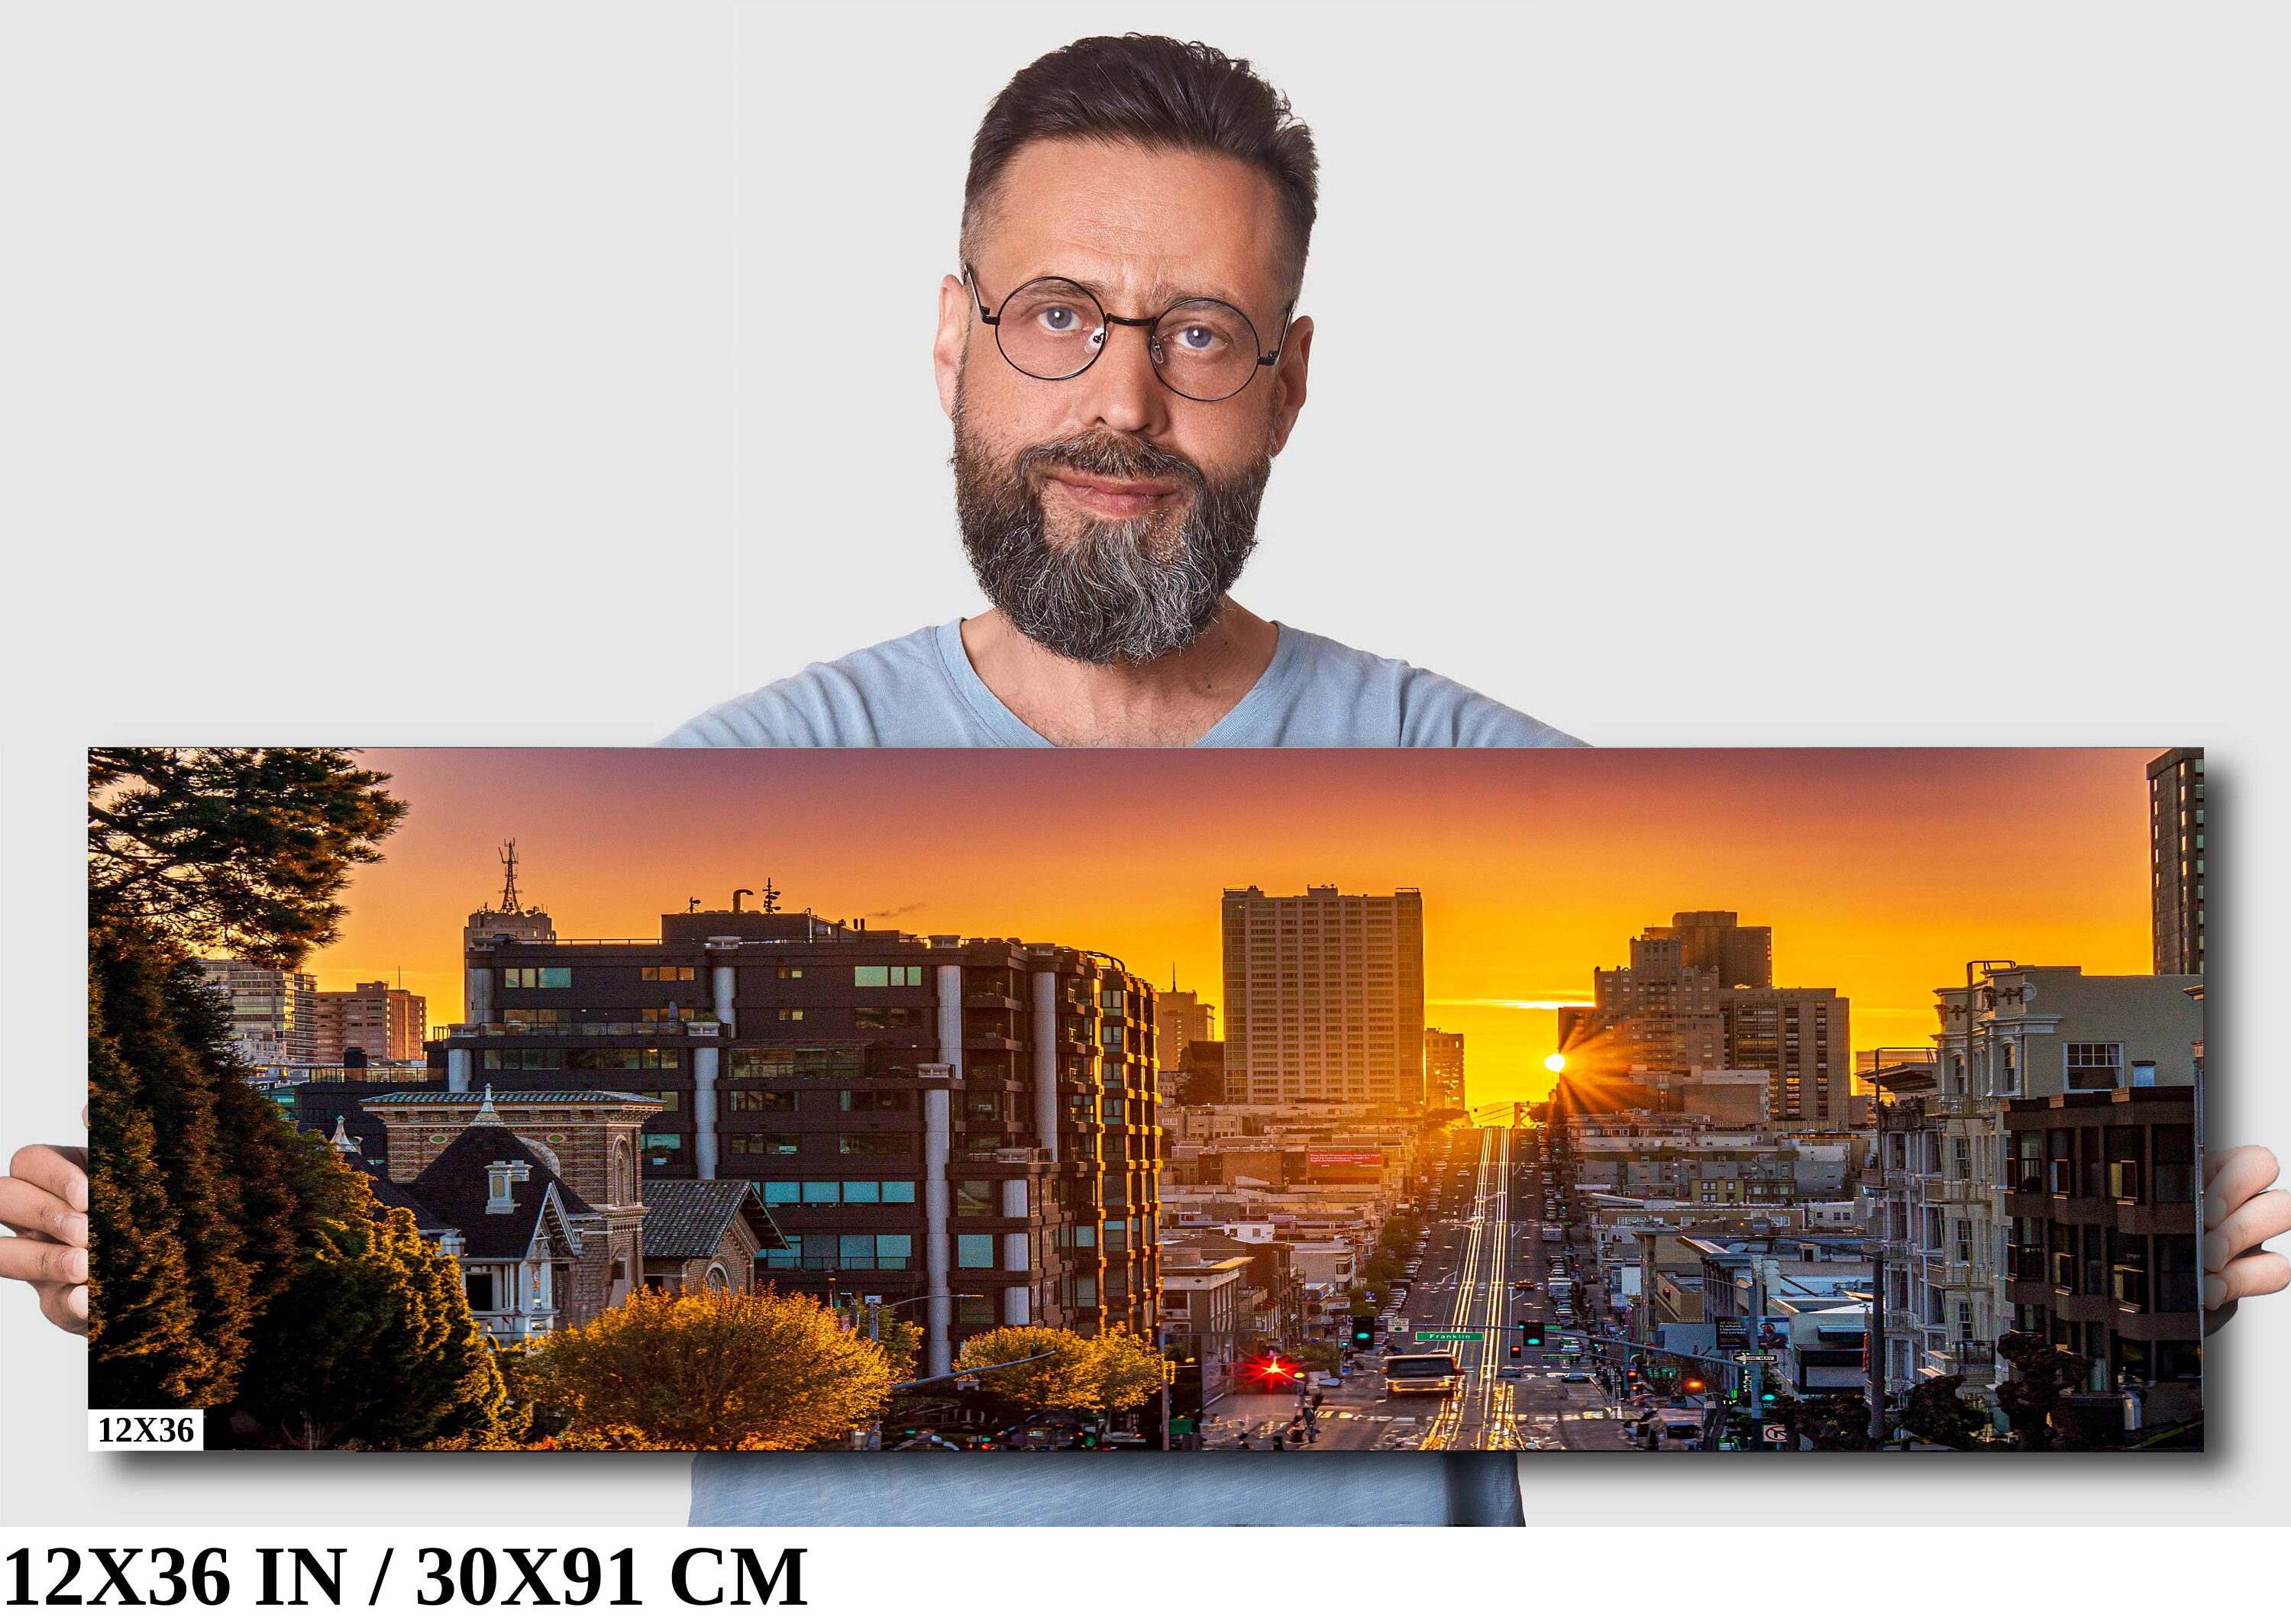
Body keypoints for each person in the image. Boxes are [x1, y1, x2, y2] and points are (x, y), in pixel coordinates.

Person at [9, 31, 2289, 1527]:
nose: (1124, 401)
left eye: (1198, 334)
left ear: (1285, 384)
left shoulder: (1480, 767)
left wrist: (2226, 1276)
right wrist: (137, 1266)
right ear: (951, 341)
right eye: (1059, 316)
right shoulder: (728, 774)